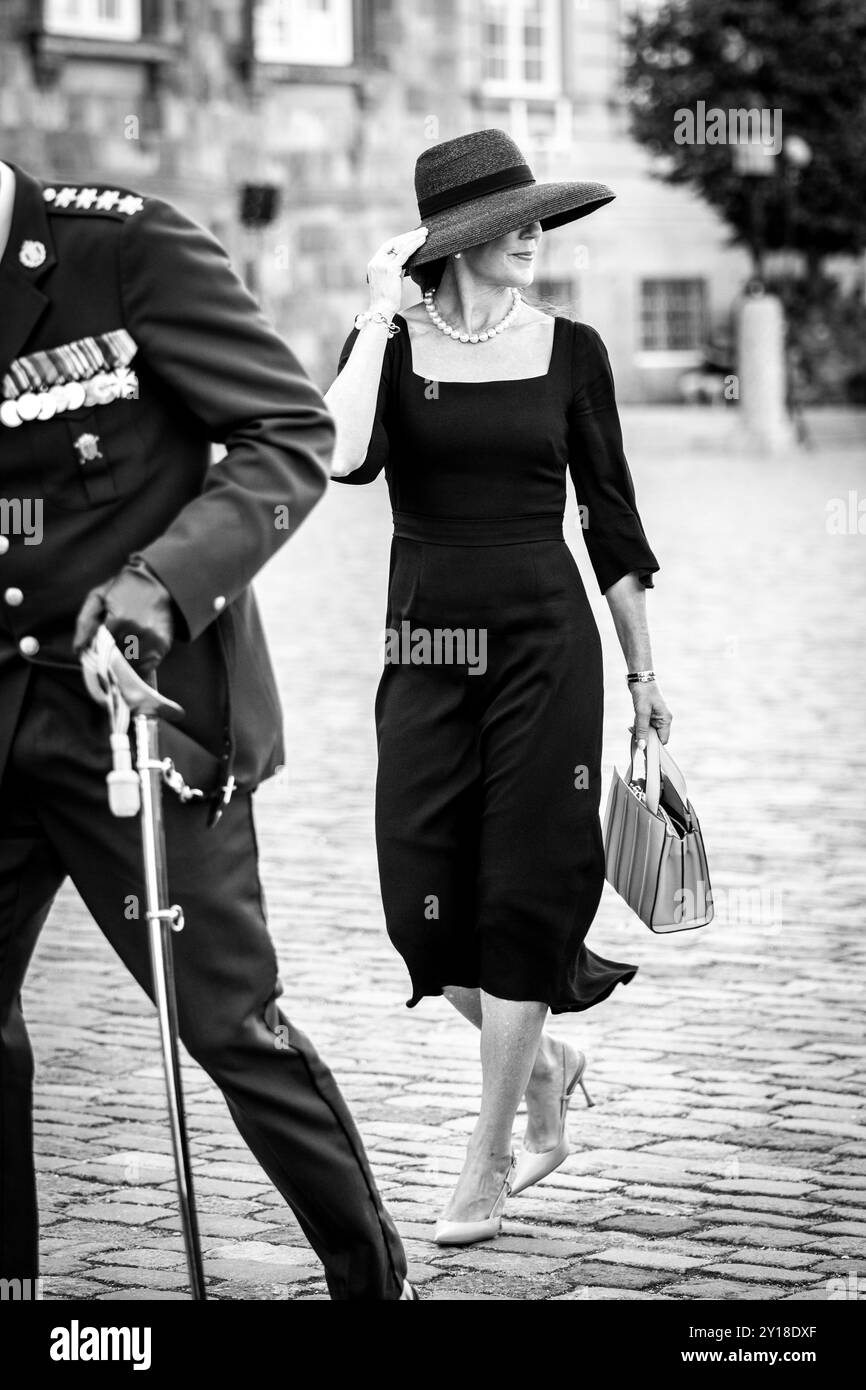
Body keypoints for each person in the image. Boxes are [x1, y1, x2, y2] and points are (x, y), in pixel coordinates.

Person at [0, 159, 415, 1300]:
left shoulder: (125, 248)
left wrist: (155, 590)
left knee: (231, 1025)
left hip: (133, 720)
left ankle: (372, 1285)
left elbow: (288, 439)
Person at [325, 129, 672, 1246]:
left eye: (537, 217)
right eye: (511, 221)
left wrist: (643, 675)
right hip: (424, 651)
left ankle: (483, 1161)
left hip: (544, 648)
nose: (535, 234)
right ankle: (543, 1057)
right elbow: (338, 457)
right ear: (454, 243)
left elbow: (608, 519)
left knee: (521, 899)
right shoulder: (386, 342)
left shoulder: (570, 350)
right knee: (417, 908)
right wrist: (376, 316)